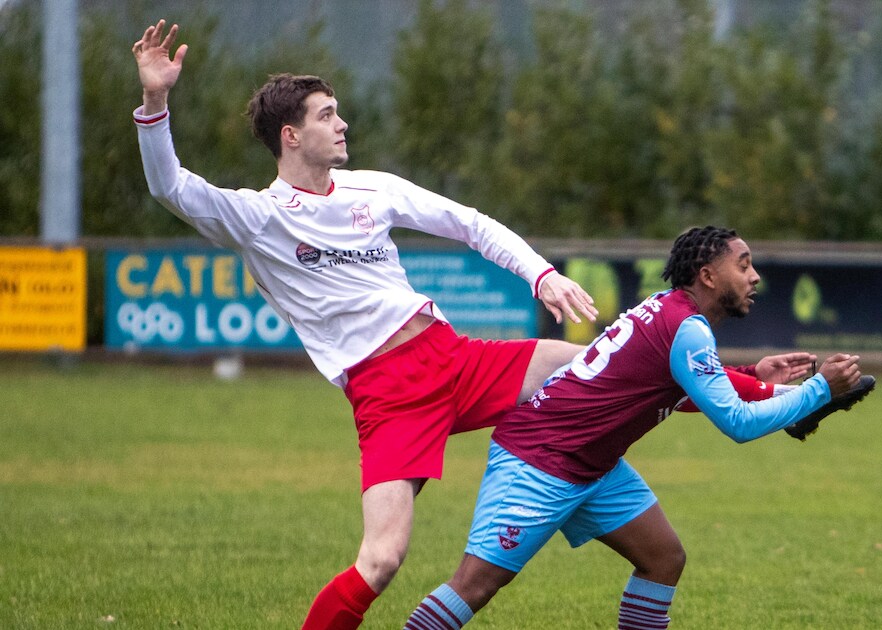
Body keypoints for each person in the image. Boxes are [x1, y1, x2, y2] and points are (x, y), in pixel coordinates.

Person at [131, 21, 601, 629]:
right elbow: (170, 187)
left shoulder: (372, 189)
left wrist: (541, 276)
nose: (343, 123)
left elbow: (469, 223)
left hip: (451, 357)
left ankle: (749, 385)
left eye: (339, 113)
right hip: (388, 394)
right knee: (381, 561)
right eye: (328, 115)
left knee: (594, 363)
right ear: (292, 135)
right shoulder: (257, 216)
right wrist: (155, 101)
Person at [402, 226, 874, 629]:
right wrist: (818, 393)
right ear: (708, 276)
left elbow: (684, 390)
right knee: (476, 586)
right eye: (744, 265)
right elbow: (736, 423)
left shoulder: (670, 310)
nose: (754, 277)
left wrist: (756, 378)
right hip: (539, 458)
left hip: (592, 465)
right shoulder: (685, 327)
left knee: (663, 559)